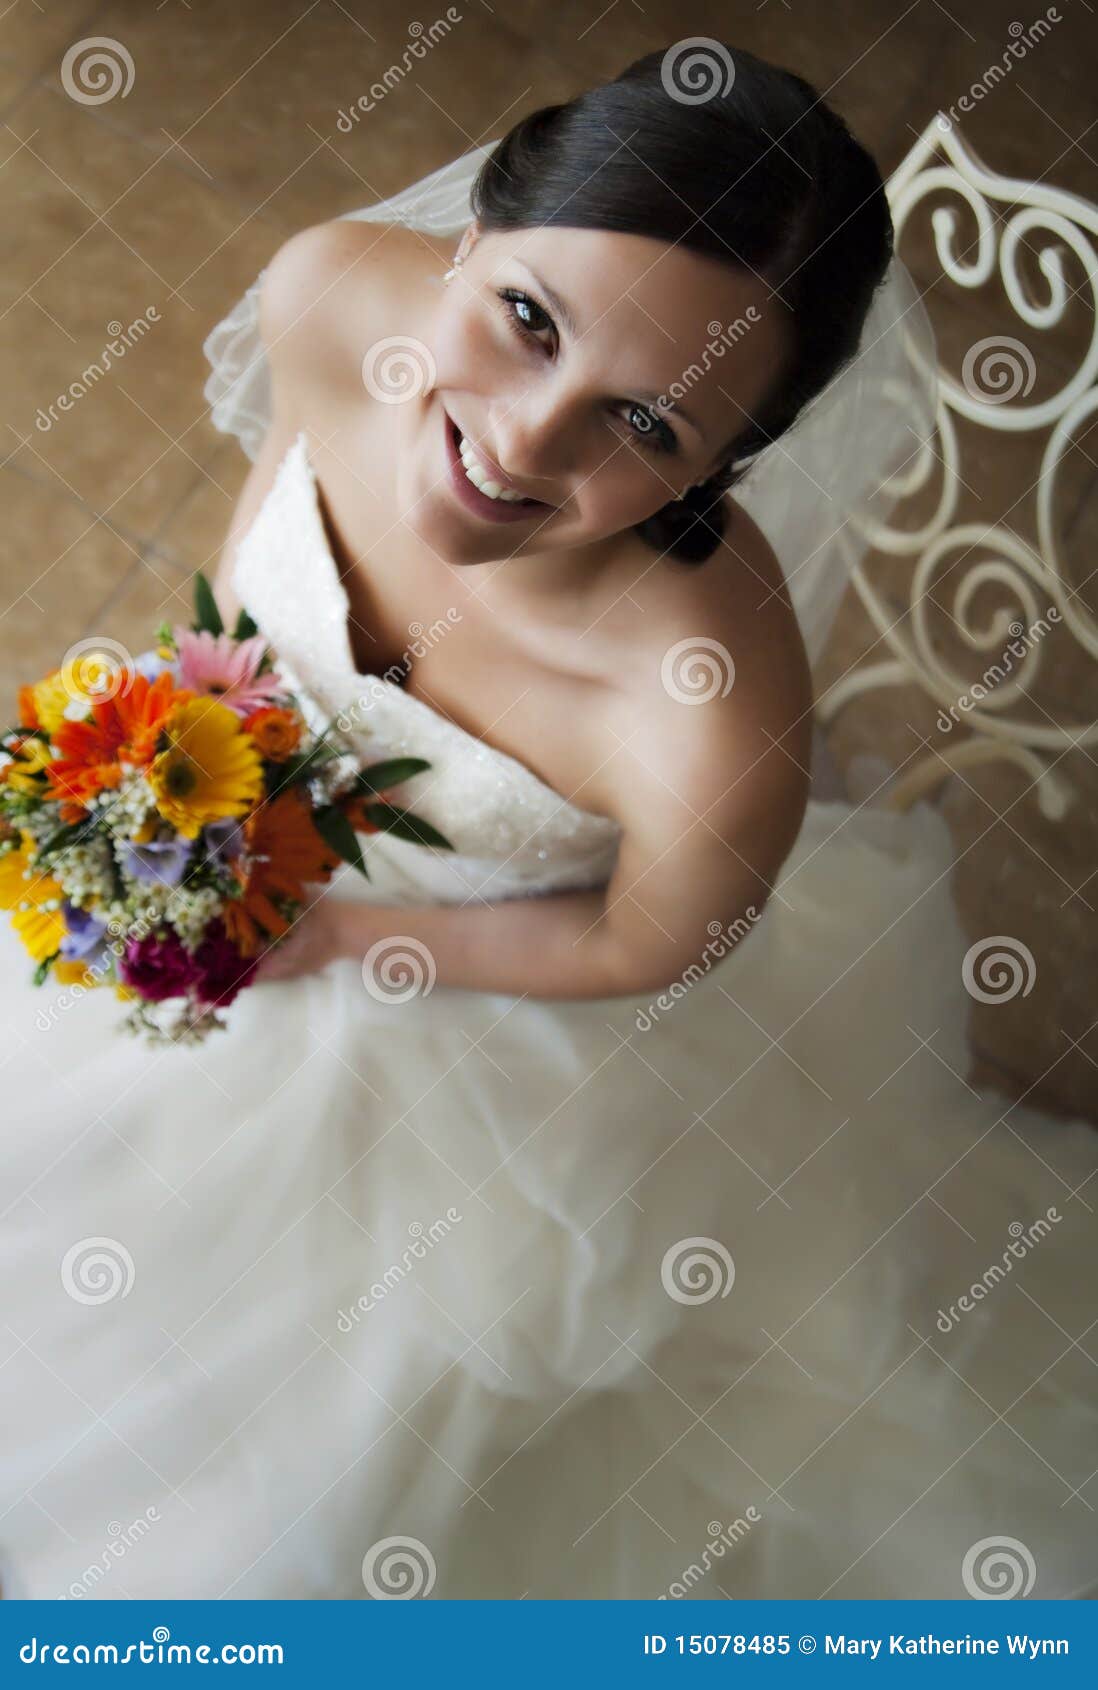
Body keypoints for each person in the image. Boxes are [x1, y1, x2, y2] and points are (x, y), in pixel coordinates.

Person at [1, 44, 1095, 1603]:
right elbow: (261, 534)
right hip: (223, 831)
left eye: (643, 426)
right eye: (523, 319)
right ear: (466, 239)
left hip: (476, 1019)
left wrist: (350, 939)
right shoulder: (328, 296)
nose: (520, 443)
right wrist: (189, 744)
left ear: (729, 462)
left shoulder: (703, 711)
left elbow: (652, 939)